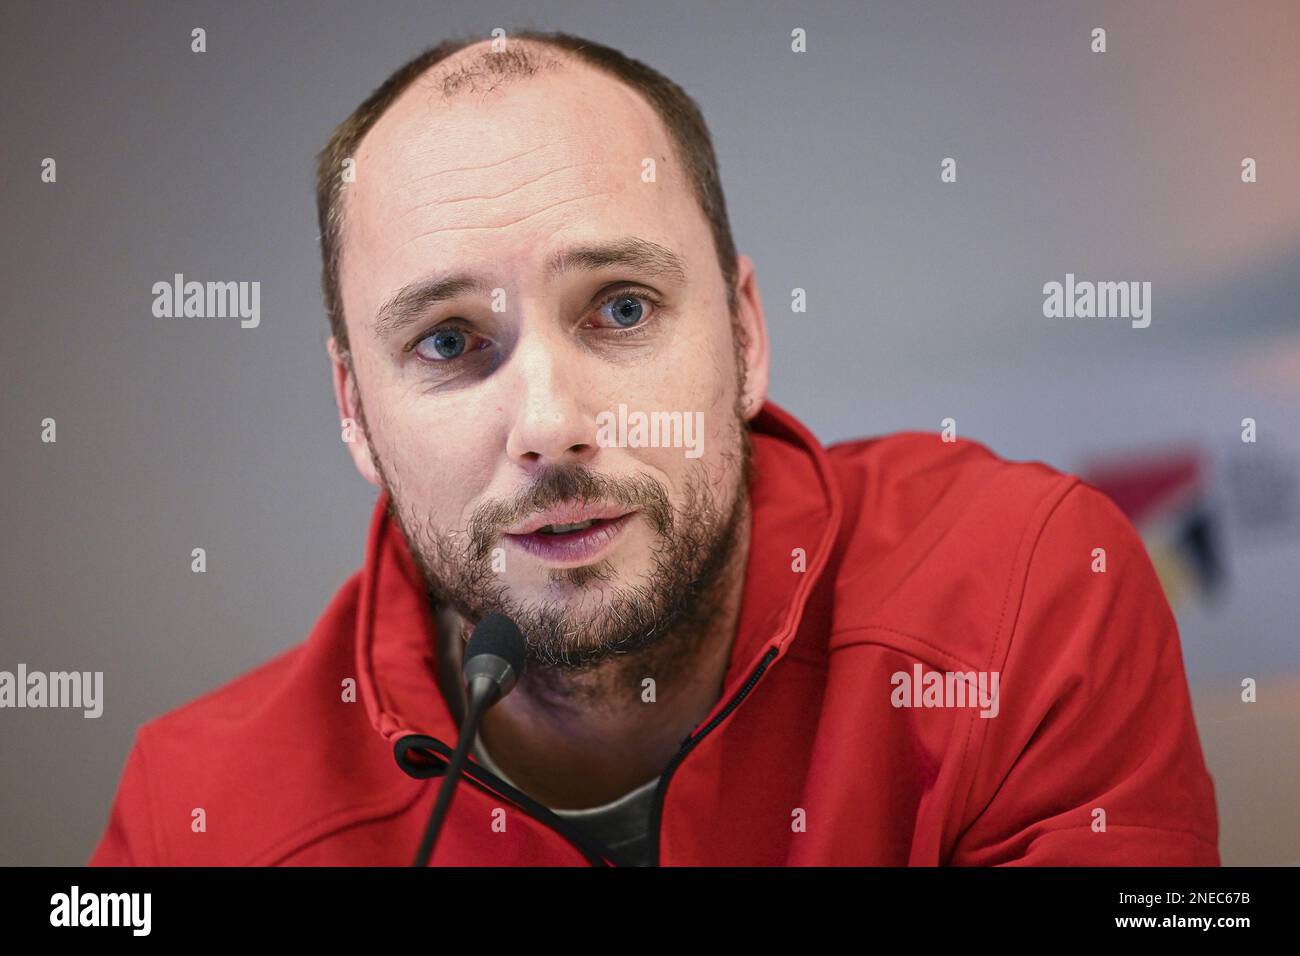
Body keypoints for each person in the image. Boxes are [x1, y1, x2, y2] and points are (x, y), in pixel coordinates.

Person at [90, 29, 1219, 866]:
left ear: (742, 334)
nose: (547, 425)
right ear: (353, 409)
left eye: (620, 309)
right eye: (447, 340)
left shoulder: (1026, 592)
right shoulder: (192, 810)